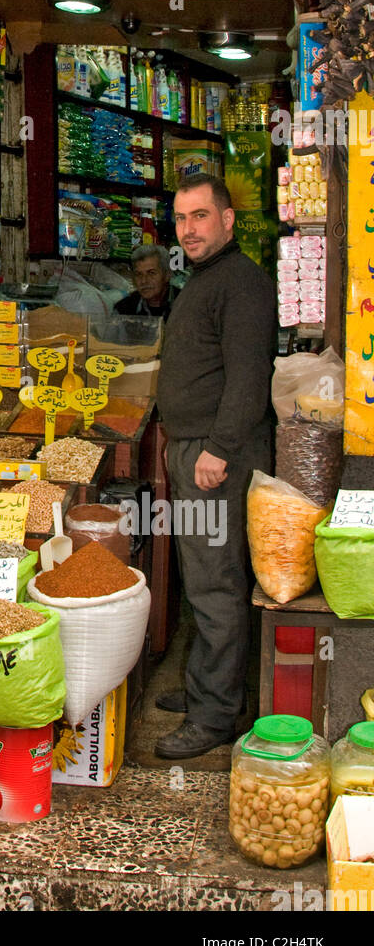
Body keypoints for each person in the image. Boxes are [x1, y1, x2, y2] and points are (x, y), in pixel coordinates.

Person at [154, 174, 275, 760]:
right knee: (199, 576)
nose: (189, 229)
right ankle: (209, 685)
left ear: (227, 220)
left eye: (200, 216)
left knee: (216, 581)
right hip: (195, 448)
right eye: (181, 219)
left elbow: (250, 378)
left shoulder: (242, 283)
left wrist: (217, 450)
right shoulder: (203, 279)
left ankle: (216, 714)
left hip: (217, 455)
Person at [114, 245, 178, 319]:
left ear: (167, 275)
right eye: (138, 274)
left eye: (151, 273)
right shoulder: (124, 309)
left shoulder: (184, 302)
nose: (144, 281)